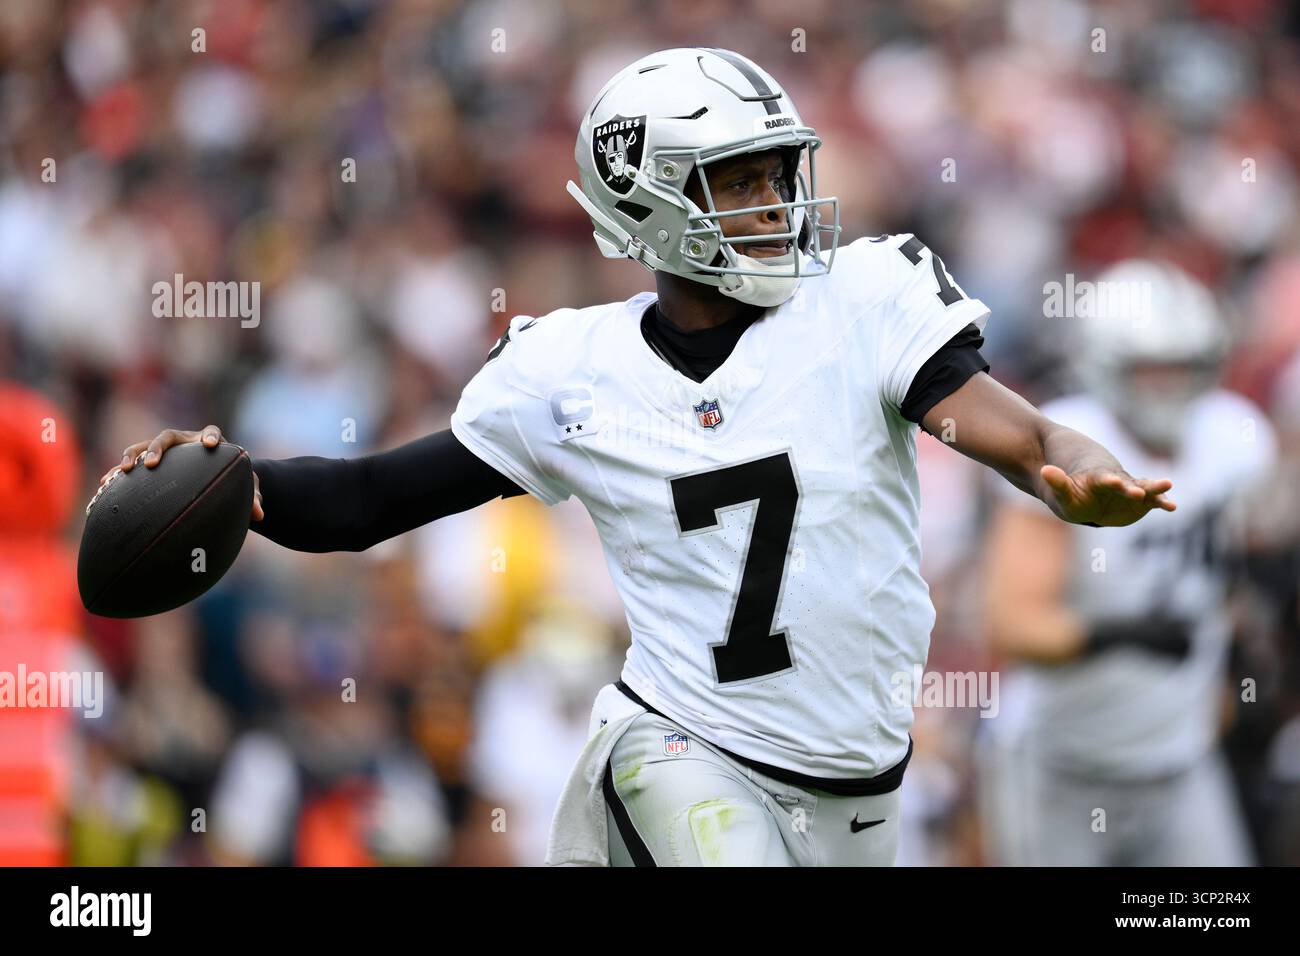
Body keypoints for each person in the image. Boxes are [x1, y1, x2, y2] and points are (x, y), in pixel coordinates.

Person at [98, 48, 1175, 866]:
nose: (777, 201)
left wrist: (1059, 462)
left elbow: (995, 420)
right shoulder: (575, 371)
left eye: (776, 171)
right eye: (739, 180)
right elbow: (372, 497)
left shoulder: (864, 298)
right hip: (678, 751)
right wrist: (236, 485)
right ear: (647, 202)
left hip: (857, 786)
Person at [977, 259, 1273, 866]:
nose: (1167, 386)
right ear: (1104, 365)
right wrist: (1120, 636)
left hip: (1182, 762)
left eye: (1181, 367)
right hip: (1065, 762)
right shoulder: (1072, 443)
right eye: (1149, 369)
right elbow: (1012, 625)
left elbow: (1234, 575)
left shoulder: (1232, 438)